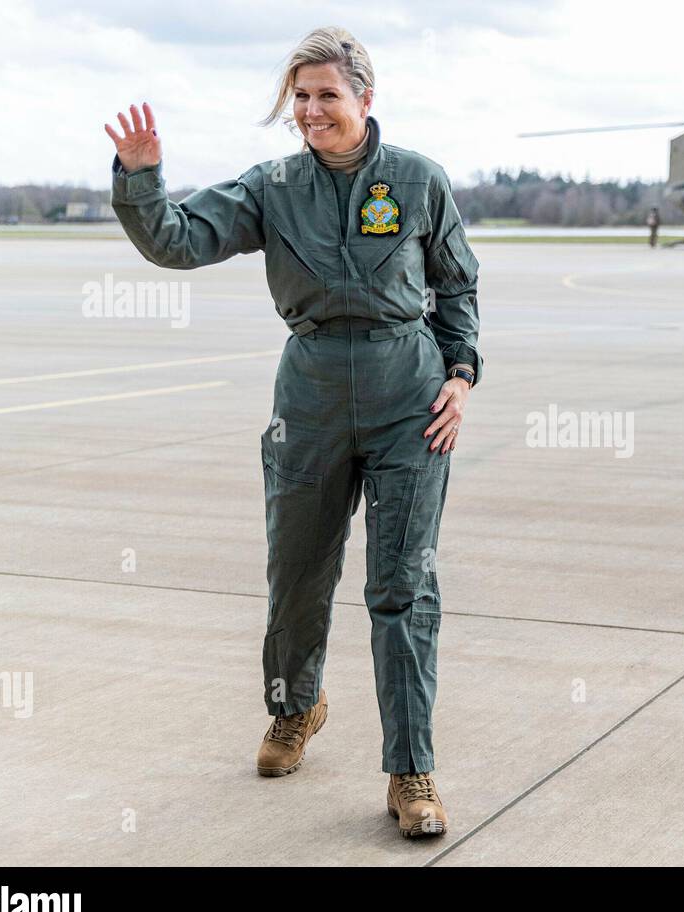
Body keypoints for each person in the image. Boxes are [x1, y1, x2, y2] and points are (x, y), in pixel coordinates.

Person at [102, 26, 482, 839]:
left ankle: (410, 769)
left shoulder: (417, 180)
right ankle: (294, 711)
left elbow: (457, 283)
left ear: (365, 99)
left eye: (326, 96)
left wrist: (461, 374)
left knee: (402, 587)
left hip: (407, 399)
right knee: (298, 572)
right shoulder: (273, 185)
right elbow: (178, 240)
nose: (311, 112)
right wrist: (141, 181)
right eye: (299, 99)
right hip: (308, 391)